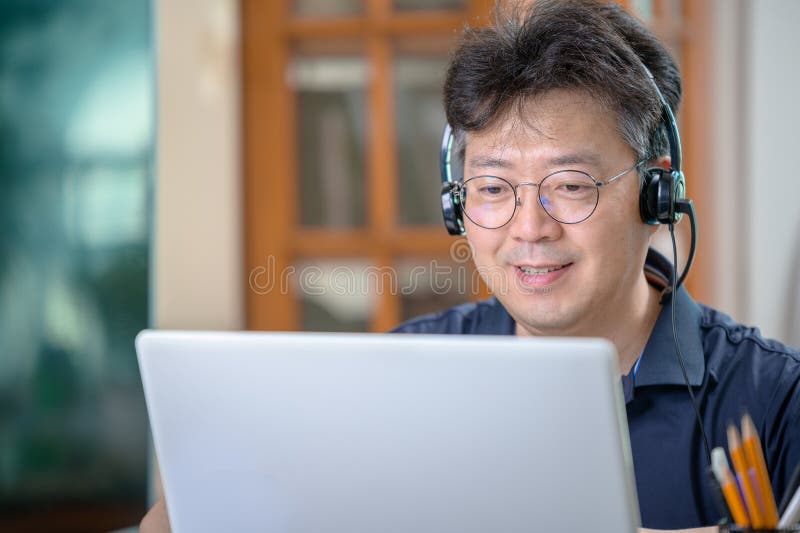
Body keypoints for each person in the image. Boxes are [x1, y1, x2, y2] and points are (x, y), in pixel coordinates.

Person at [141, 0, 800, 531]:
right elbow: (176, 519)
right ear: (458, 206)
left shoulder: (774, 398)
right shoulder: (395, 381)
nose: (530, 227)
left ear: (656, 194)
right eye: (491, 188)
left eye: (570, 185)